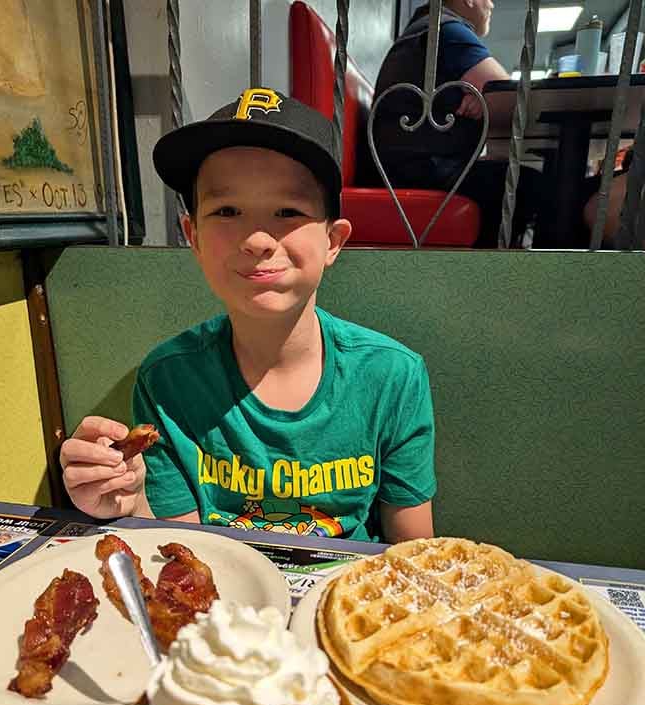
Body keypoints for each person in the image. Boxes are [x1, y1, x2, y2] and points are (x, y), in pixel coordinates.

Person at [59, 88, 436, 543]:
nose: (257, 239)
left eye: (287, 211)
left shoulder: (392, 376)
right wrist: (127, 501)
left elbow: (413, 550)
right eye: (227, 210)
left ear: (333, 241)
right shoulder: (167, 381)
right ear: (193, 236)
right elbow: (183, 550)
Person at [371, 0, 542, 247]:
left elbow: (495, 93)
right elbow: (509, 96)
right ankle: (491, 267)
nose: (492, 5)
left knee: (516, 180)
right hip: (420, 173)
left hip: (403, 169)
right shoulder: (447, 29)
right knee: (529, 184)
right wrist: (486, 94)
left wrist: (482, 95)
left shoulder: (428, 26)